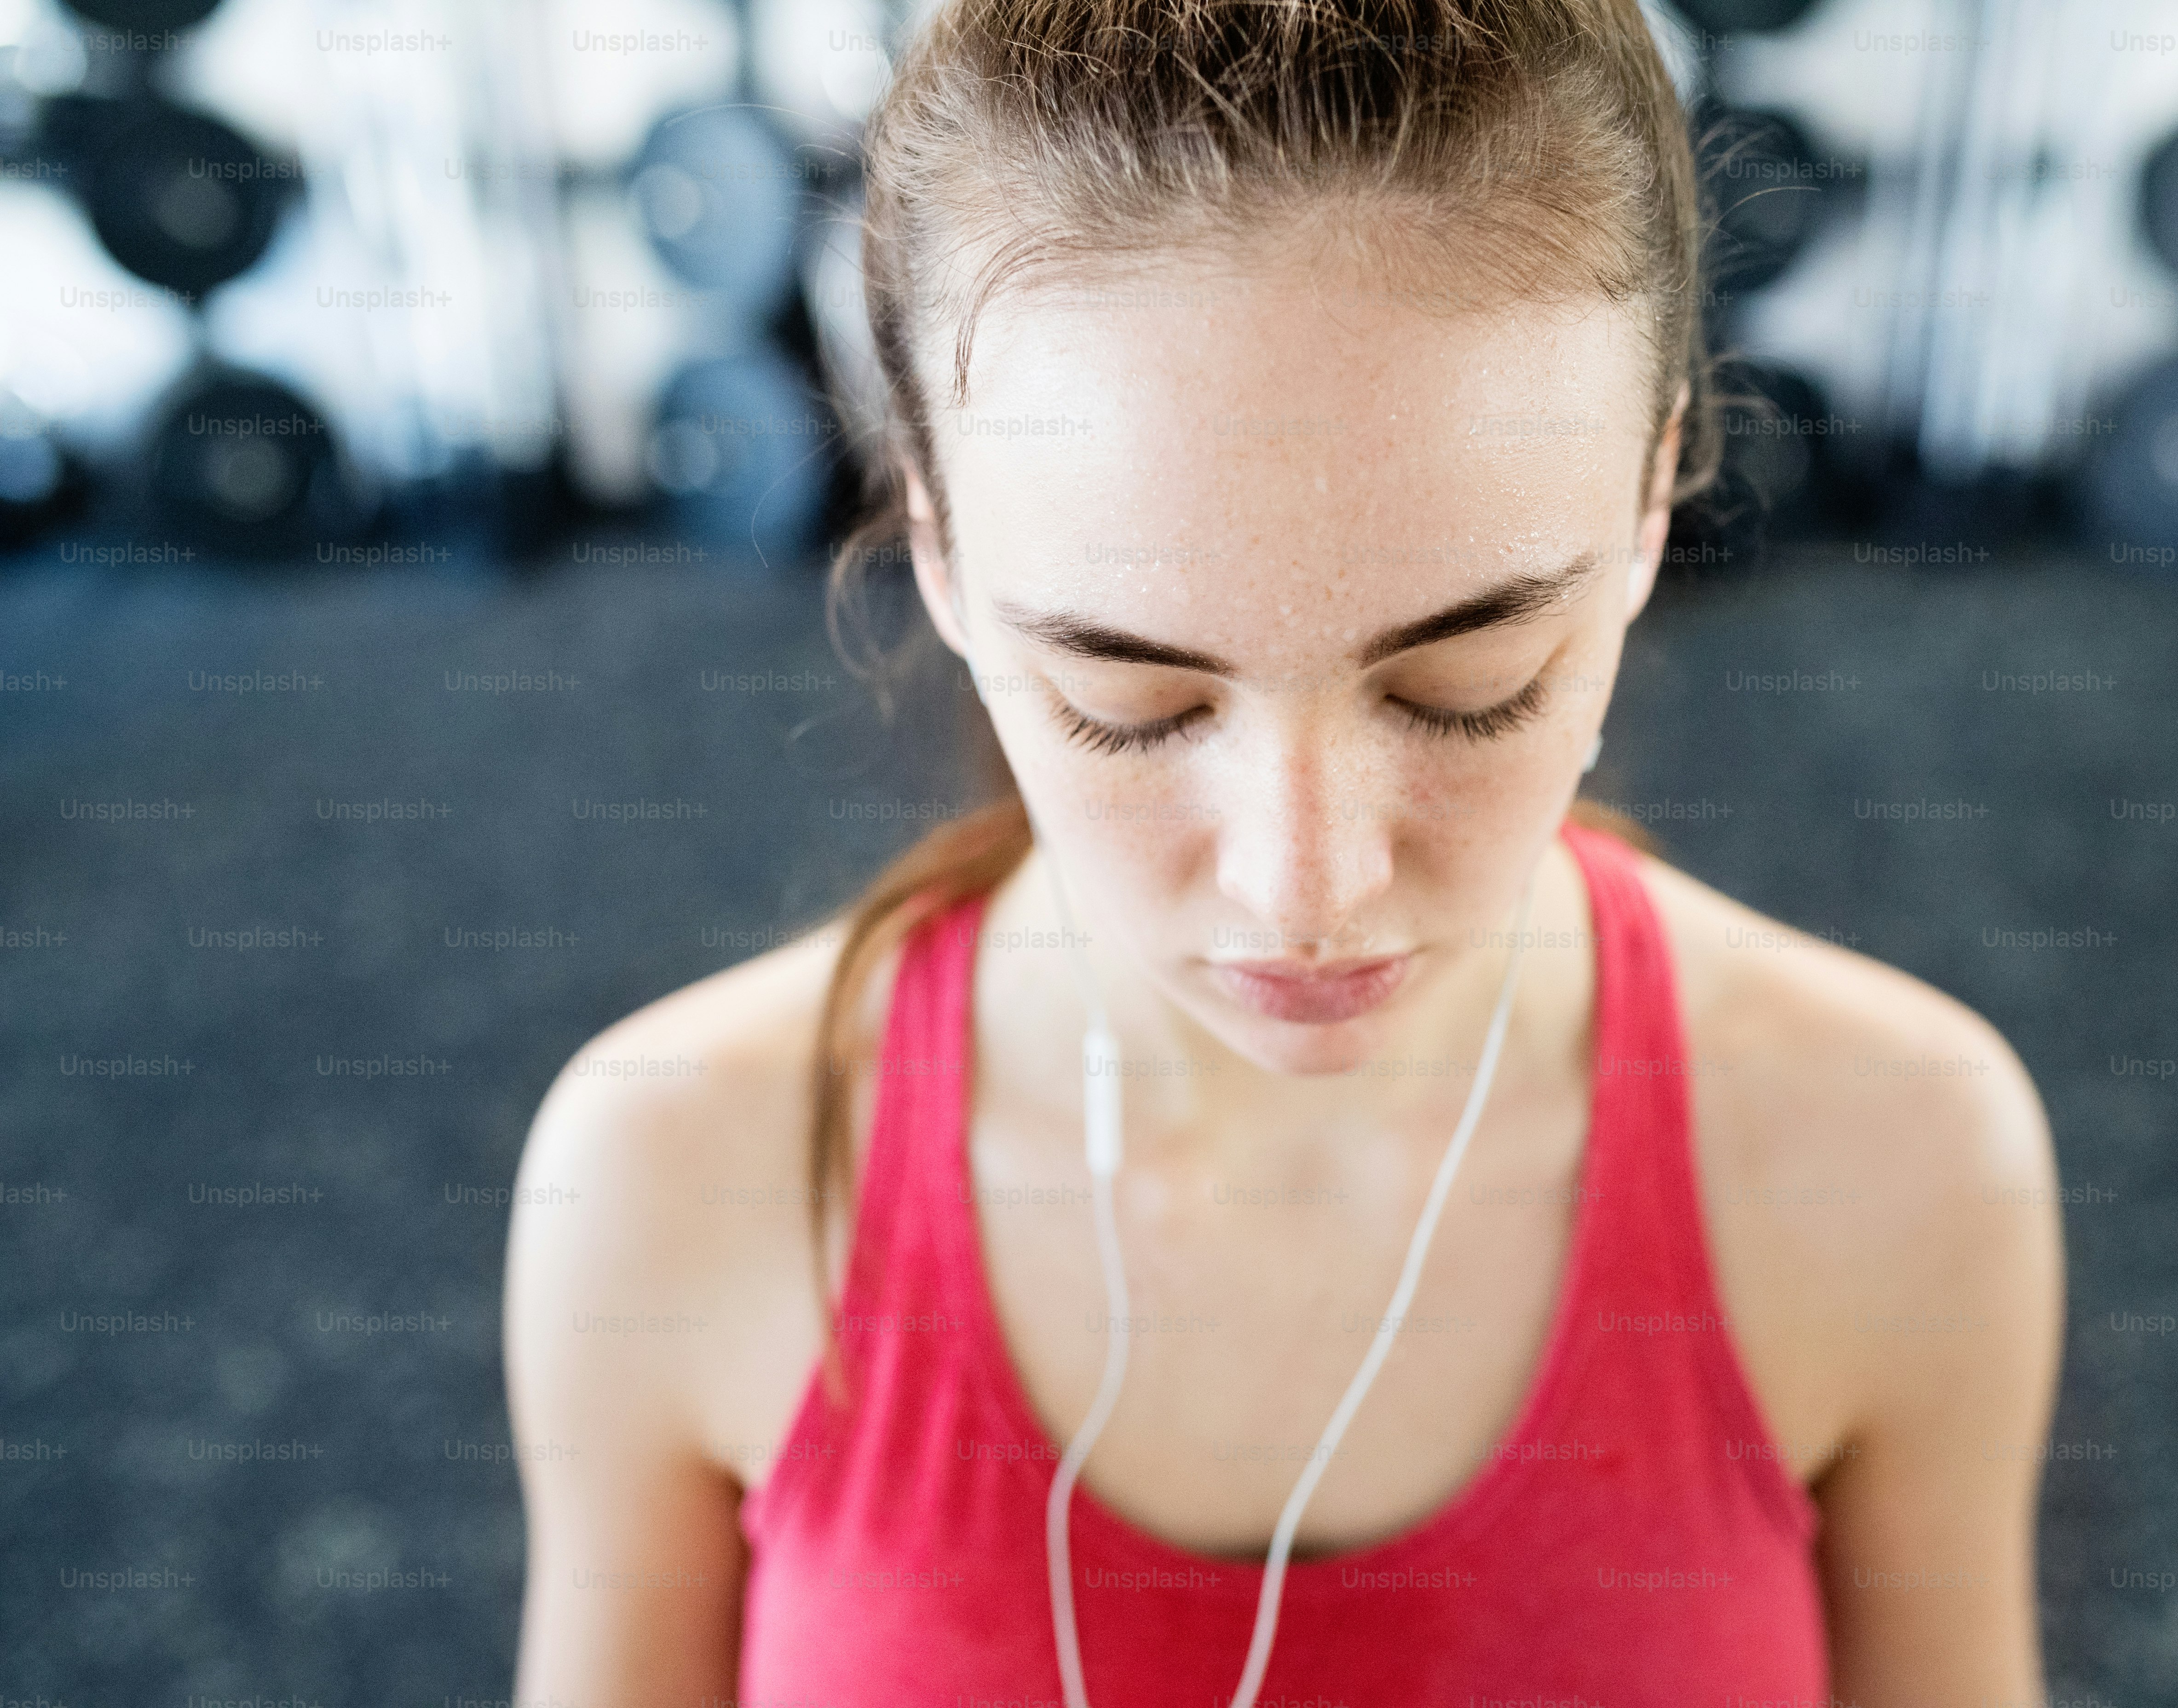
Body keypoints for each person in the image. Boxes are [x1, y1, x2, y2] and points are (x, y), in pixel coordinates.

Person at [503, 0, 2065, 1701]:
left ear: (1653, 494)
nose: (1306, 891)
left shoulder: (1905, 1160)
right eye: (1131, 703)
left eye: (1472, 688)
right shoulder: (662, 1184)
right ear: (940, 557)